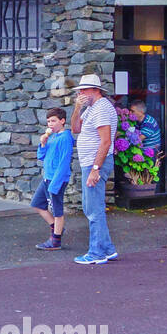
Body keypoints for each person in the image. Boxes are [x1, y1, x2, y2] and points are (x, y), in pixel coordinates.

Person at [70, 74, 119, 265]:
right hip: (91, 162)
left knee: (93, 208)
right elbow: (75, 128)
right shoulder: (92, 108)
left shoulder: (101, 109)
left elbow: (106, 141)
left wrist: (95, 168)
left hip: (95, 163)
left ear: (95, 90)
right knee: (92, 206)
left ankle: (97, 252)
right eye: (80, 90)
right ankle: (106, 249)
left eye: (84, 90)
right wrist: (77, 108)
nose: (81, 93)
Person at [32, 107, 73, 250]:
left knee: (57, 210)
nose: (50, 124)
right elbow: (41, 156)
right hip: (47, 177)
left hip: (56, 180)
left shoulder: (65, 138)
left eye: (53, 121)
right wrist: (43, 143)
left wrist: (55, 184)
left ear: (62, 121)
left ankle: (56, 240)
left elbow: (64, 162)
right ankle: (57, 229)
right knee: (37, 204)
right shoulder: (52, 137)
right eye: (48, 121)